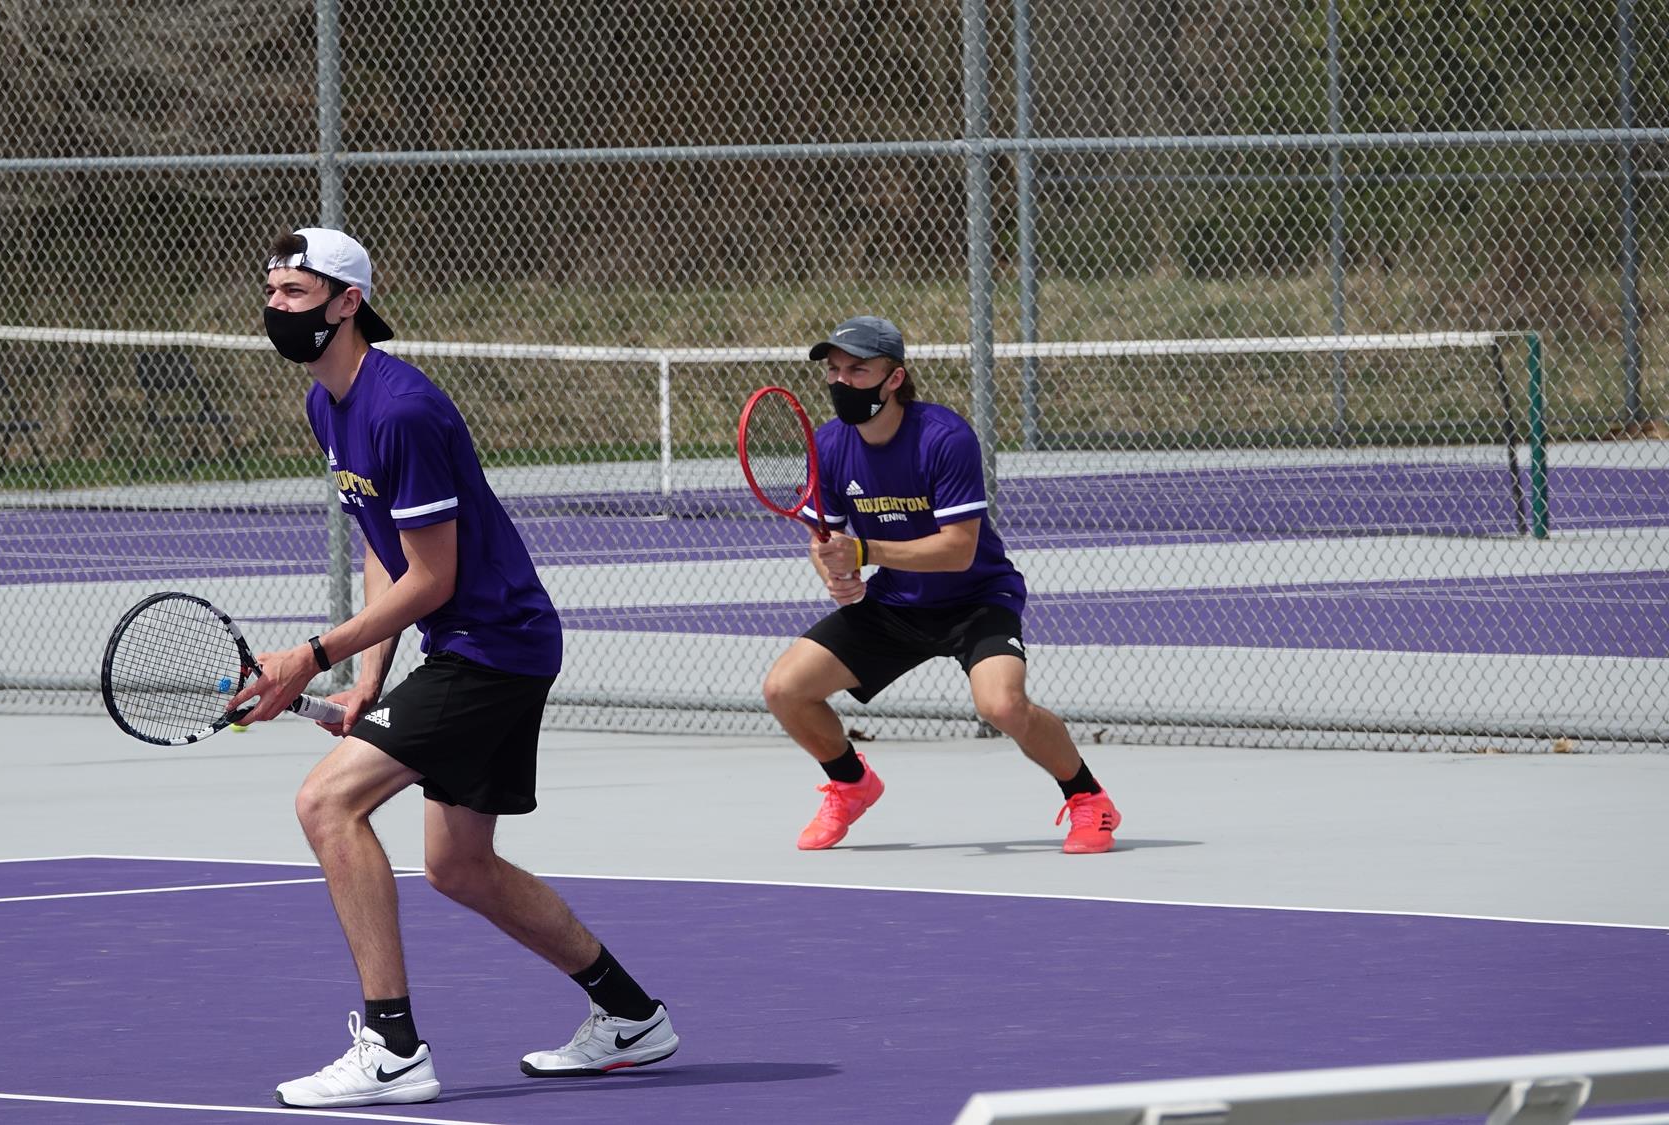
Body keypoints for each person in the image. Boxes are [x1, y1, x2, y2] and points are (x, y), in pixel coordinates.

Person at [235, 227, 677, 1109]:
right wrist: (364, 676)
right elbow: (386, 548)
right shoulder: (330, 405)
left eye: (294, 293)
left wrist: (310, 655)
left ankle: (393, 1048)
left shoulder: (403, 408)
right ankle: (632, 1016)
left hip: (493, 647)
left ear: (347, 302)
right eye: (273, 292)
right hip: (478, 645)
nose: (276, 308)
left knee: (327, 802)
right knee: (460, 867)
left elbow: (433, 578)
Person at [760, 315, 1122, 854]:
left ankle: (1090, 800)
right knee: (785, 689)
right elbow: (825, 538)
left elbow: (959, 549)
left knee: (1002, 706)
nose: (841, 381)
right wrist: (836, 572)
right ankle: (850, 783)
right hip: (895, 603)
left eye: (858, 370)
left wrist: (865, 552)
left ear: (895, 379)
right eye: (834, 370)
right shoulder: (830, 444)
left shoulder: (944, 437)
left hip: (976, 599)